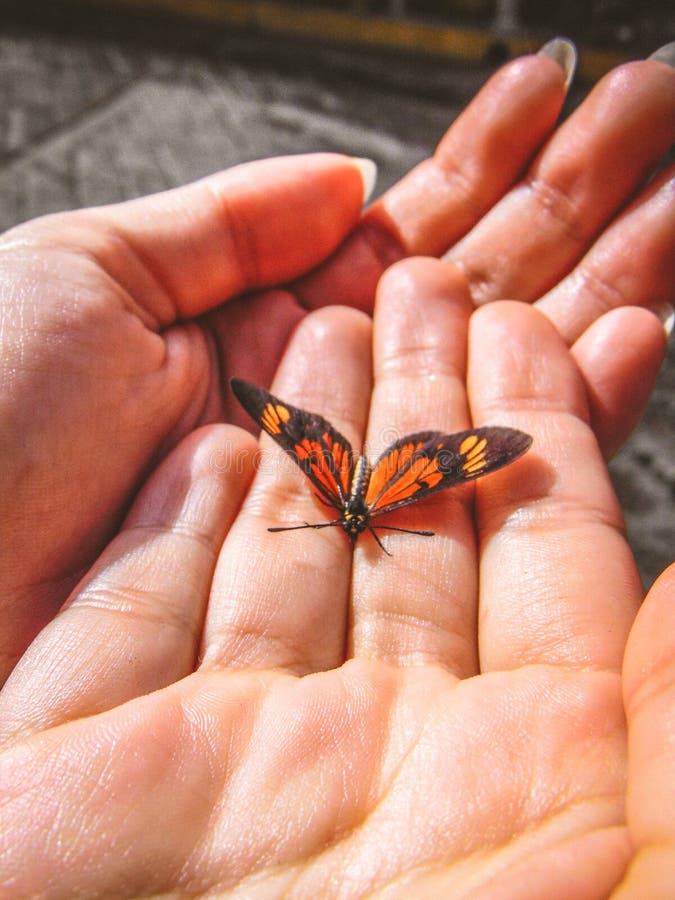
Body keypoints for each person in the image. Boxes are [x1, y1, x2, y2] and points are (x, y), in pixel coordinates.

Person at [0, 38, 673, 897]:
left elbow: (298, 428)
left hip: (372, 472)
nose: (353, 529)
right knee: (398, 464)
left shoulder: (344, 491)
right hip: (391, 474)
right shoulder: (367, 502)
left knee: (358, 455)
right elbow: (304, 431)